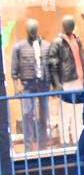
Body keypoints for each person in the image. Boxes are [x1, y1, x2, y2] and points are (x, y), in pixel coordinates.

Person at [10, 18, 50, 152]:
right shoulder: (19, 47)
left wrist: (54, 84)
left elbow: (51, 66)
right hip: (28, 85)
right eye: (30, 29)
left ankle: (43, 145)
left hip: (43, 84)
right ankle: (28, 147)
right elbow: (14, 69)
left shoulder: (46, 45)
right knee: (27, 114)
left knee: (43, 114)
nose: (32, 32)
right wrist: (16, 87)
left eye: (34, 29)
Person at [46, 14, 84, 145]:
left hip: (78, 80)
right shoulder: (57, 42)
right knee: (65, 112)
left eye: (72, 24)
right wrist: (56, 83)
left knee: (78, 112)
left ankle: (78, 137)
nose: (71, 27)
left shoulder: (77, 40)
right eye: (69, 24)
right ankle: (64, 140)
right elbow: (52, 64)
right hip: (66, 81)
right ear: (63, 26)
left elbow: (82, 59)